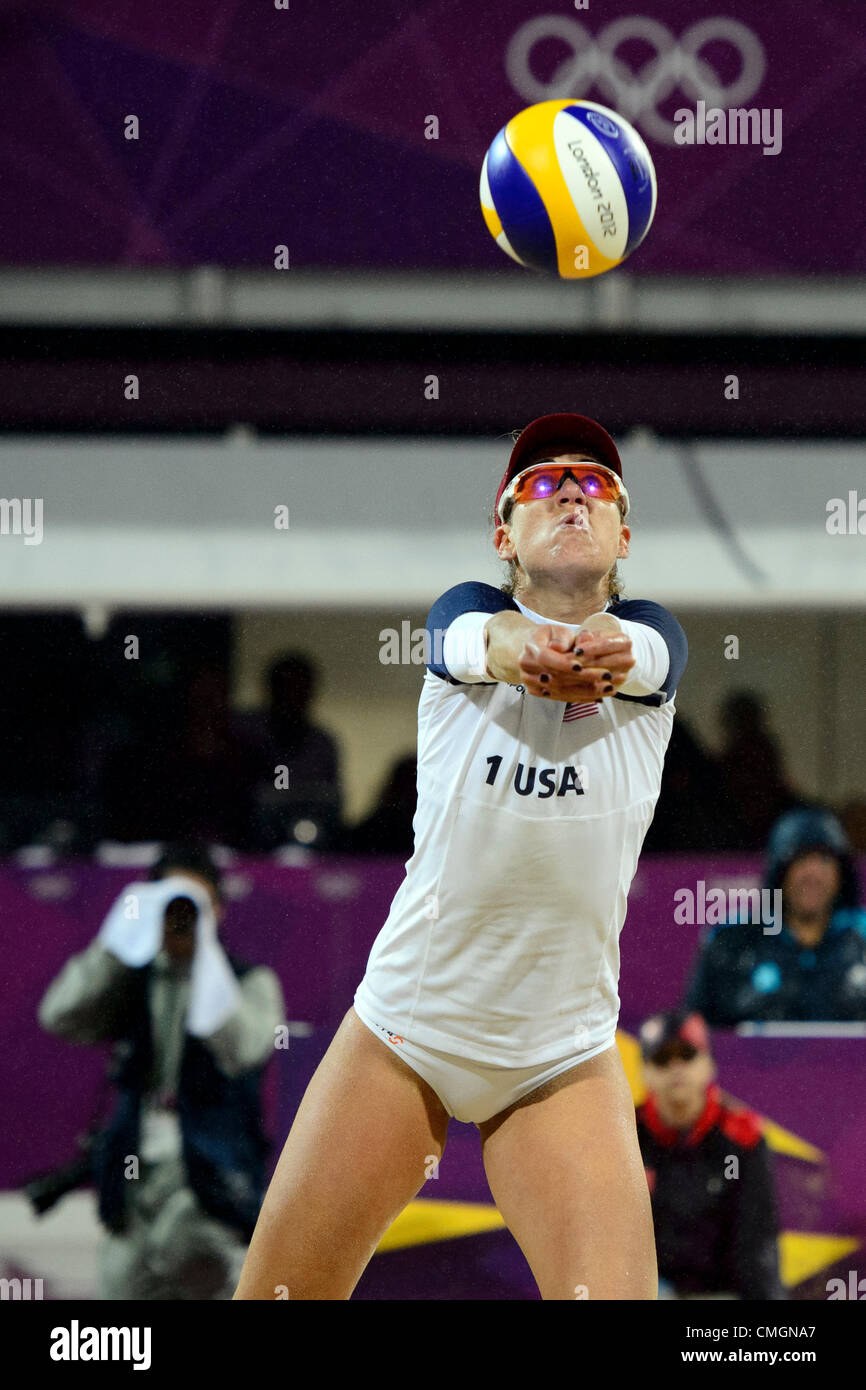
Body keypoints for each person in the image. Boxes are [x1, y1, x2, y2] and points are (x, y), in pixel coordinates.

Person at [234, 411, 688, 1301]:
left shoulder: (654, 646)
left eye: (594, 486)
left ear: (623, 534)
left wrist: (587, 649)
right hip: (408, 1032)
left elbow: (646, 652)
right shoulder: (461, 630)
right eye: (543, 485)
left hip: (563, 1053)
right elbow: (471, 637)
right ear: (503, 534)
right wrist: (529, 649)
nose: (569, 493)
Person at [38, 843, 286, 1299]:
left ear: (220, 911)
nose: (182, 916)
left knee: (198, 1261)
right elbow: (60, 1016)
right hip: (132, 1177)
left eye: (196, 905)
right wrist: (117, 943)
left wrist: (203, 960)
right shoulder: (133, 979)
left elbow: (246, 1048)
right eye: (168, 902)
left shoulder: (249, 981)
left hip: (209, 1180)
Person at [635, 1010, 784, 1300]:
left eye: (688, 1056)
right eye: (663, 1059)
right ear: (645, 1072)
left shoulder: (743, 1141)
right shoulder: (625, 1137)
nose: (676, 1068)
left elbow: (757, 1245)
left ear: (709, 1065)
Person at [683, 805, 866, 1024]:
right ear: (779, 870)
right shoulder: (734, 943)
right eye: (800, 859)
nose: (813, 873)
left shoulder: (860, 940)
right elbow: (693, 1036)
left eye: (825, 860)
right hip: (748, 1060)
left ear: (842, 873)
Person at [235, 653, 343, 849]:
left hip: (310, 841)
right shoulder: (246, 735)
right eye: (286, 689)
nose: (292, 699)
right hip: (252, 843)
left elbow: (332, 805)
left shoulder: (322, 744)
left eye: (300, 691)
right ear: (271, 691)